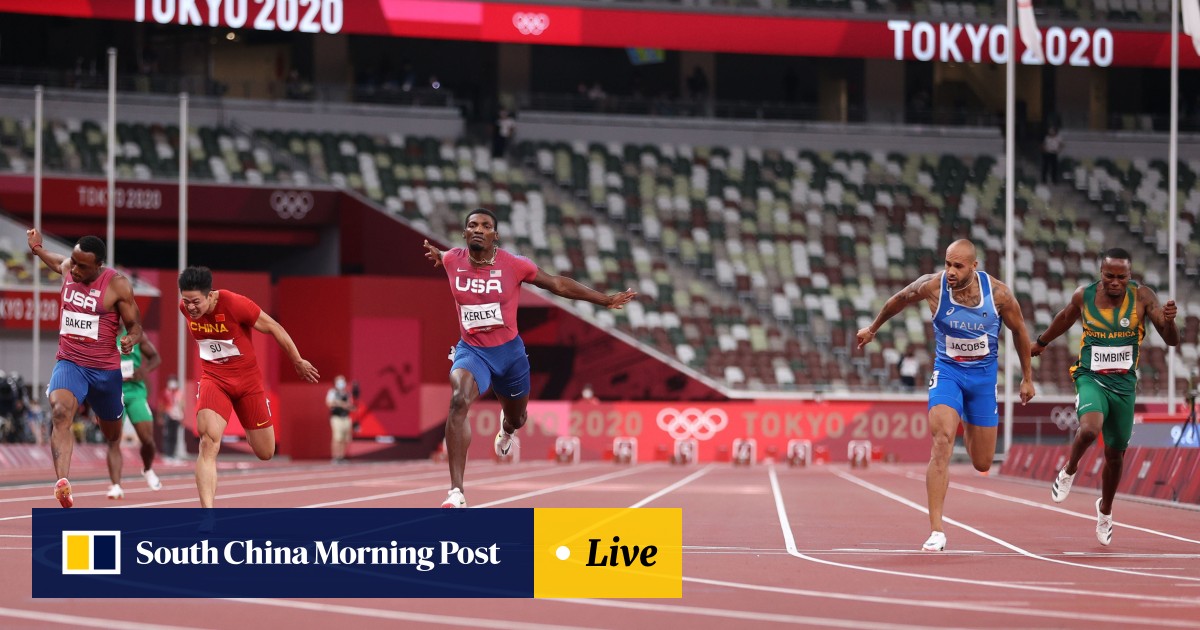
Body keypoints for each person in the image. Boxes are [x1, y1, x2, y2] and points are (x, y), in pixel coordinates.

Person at [423, 208, 636, 507]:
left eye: (485, 226)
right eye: (472, 225)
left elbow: (557, 284)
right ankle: (456, 492)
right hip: (472, 352)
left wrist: (604, 299)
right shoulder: (451, 260)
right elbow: (446, 254)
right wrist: (438, 254)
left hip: (510, 356)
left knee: (517, 418)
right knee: (459, 399)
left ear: (495, 236)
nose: (478, 230)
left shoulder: (514, 265)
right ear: (464, 232)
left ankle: (506, 428)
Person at [857, 239, 1035, 551]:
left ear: (974, 266)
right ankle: (937, 529)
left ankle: (966, 418)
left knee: (982, 462)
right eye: (947, 264)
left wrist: (1027, 378)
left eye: (958, 266)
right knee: (941, 444)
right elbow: (898, 300)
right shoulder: (933, 287)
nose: (950, 271)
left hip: (982, 380)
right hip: (948, 373)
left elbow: (1019, 331)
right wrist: (873, 328)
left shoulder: (998, 294)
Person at [1032, 248, 1178, 546]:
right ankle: (1069, 470)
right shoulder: (1083, 297)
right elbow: (1064, 318)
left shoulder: (1142, 297)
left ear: (1130, 275)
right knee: (1089, 428)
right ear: (1101, 273)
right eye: (1109, 276)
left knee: (1115, 456)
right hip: (1090, 376)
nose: (1115, 282)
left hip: (1124, 385)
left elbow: (1171, 340)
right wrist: (1041, 342)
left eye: (1121, 277)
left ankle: (1105, 511)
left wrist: (1170, 321)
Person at [178, 266, 320, 507]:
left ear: (210, 295)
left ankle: (250, 420)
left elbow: (275, 327)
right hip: (214, 379)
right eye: (185, 301)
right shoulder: (186, 309)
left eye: (195, 302)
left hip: (247, 384)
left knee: (266, 452)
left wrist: (297, 360)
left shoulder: (235, 304)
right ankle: (207, 514)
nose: (190, 307)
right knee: (208, 442)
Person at [26, 230, 143, 508]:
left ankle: (109, 419)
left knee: (112, 434)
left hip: (104, 371)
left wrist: (129, 339)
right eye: (74, 262)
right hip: (70, 362)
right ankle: (62, 483)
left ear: (98, 265)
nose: (74, 269)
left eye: (82, 266)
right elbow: (57, 262)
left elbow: (135, 326)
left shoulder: (118, 286)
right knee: (60, 412)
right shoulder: (69, 268)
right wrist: (37, 248)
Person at [106, 330, 163, 498]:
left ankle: (147, 469)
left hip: (136, 392)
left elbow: (155, 358)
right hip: (113, 393)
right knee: (113, 441)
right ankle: (116, 485)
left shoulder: (136, 335)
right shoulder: (101, 332)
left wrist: (144, 371)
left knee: (148, 440)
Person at [326, 375, 354, 464]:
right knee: (337, 438)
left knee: (345, 438)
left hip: (345, 417)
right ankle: (335, 456)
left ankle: (341, 456)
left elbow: (351, 405)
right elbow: (329, 403)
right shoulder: (332, 392)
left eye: (343, 381)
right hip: (336, 417)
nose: (342, 383)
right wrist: (341, 404)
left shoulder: (347, 393)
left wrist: (348, 406)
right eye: (339, 381)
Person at [160, 375, 185, 461]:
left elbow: (182, 404)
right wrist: (160, 416)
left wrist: (182, 415)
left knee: (174, 436)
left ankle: (173, 453)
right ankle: (167, 454)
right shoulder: (166, 392)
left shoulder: (179, 393)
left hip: (177, 416)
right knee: (167, 435)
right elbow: (161, 405)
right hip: (168, 415)